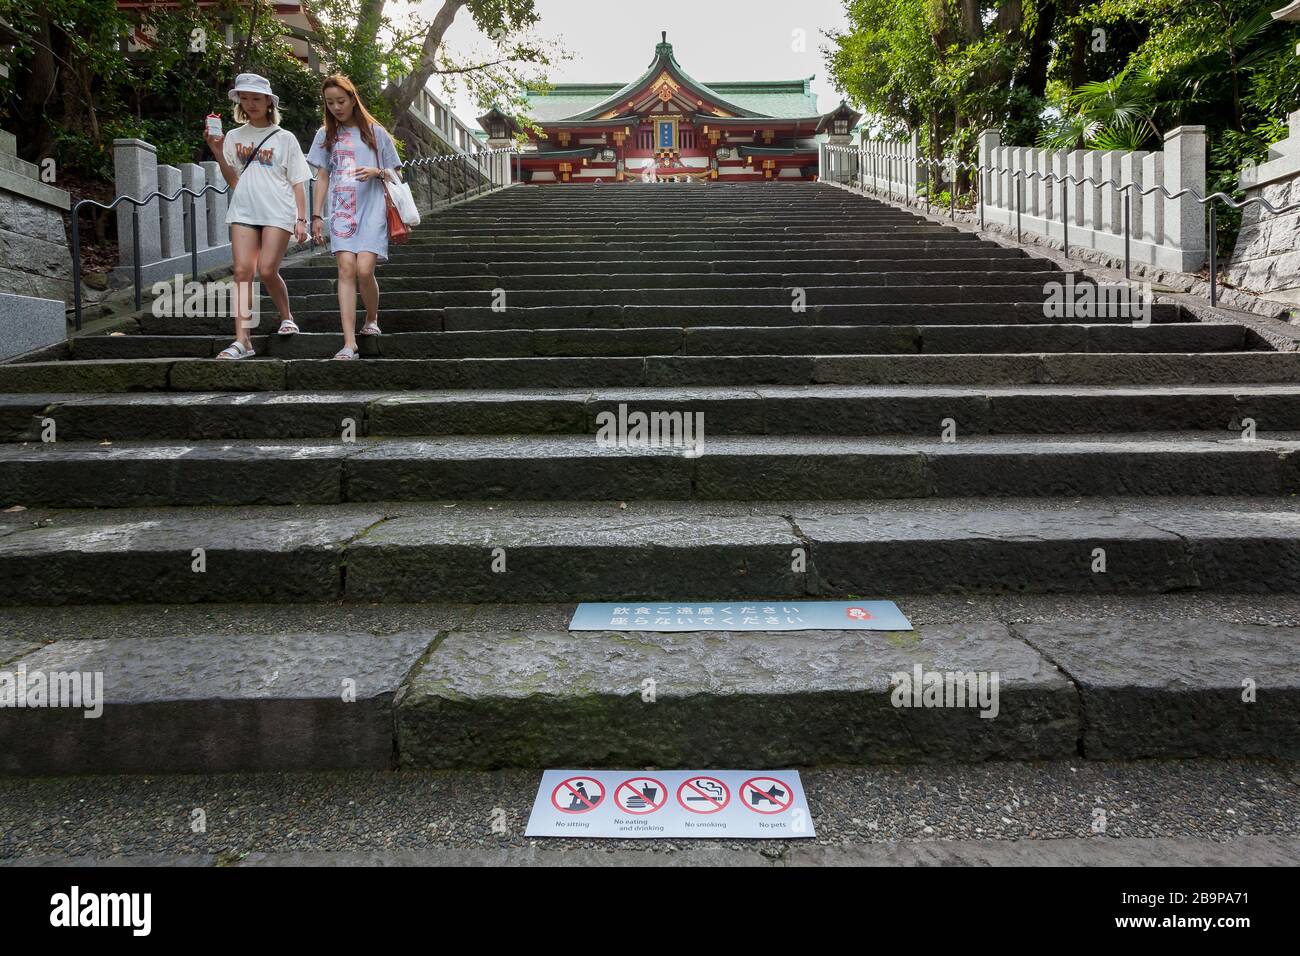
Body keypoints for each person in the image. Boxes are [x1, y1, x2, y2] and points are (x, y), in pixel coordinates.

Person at [204, 73, 310, 360]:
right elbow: (234, 180)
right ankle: (243, 340)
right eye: (245, 98)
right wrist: (217, 150)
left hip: (278, 209)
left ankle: (287, 316)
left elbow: (299, 181)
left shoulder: (285, 138)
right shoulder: (234, 138)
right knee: (241, 273)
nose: (250, 104)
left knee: (266, 270)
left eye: (257, 98)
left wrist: (302, 219)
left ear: (268, 102)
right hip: (243, 208)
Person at [307, 74, 401, 360]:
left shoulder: (375, 132)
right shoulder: (325, 135)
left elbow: (396, 173)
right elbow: (322, 176)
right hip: (341, 210)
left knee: (363, 270)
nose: (336, 107)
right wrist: (316, 215)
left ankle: (371, 318)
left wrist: (377, 171)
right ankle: (349, 343)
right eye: (330, 102)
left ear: (352, 98)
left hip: (372, 207)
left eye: (341, 100)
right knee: (346, 270)